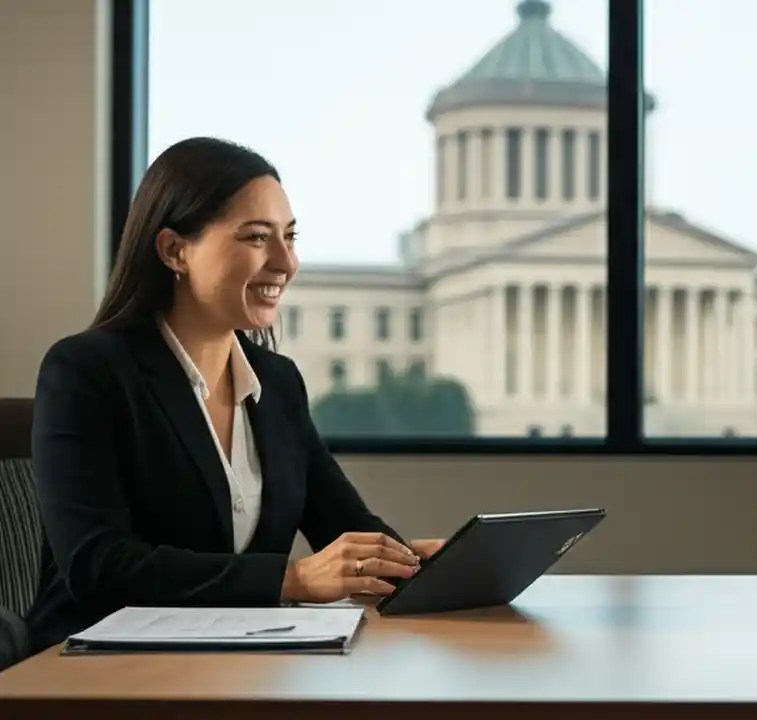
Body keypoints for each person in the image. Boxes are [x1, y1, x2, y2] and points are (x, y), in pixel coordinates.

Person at [24, 137, 443, 656]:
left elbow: (345, 527)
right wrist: (292, 580)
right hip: (93, 668)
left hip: (238, 665)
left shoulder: (279, 383)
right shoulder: (86, 371)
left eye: (290, 237)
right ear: (175, 250)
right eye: (256, 238)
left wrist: (420, 566)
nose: (285, 262)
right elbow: (99, 566)